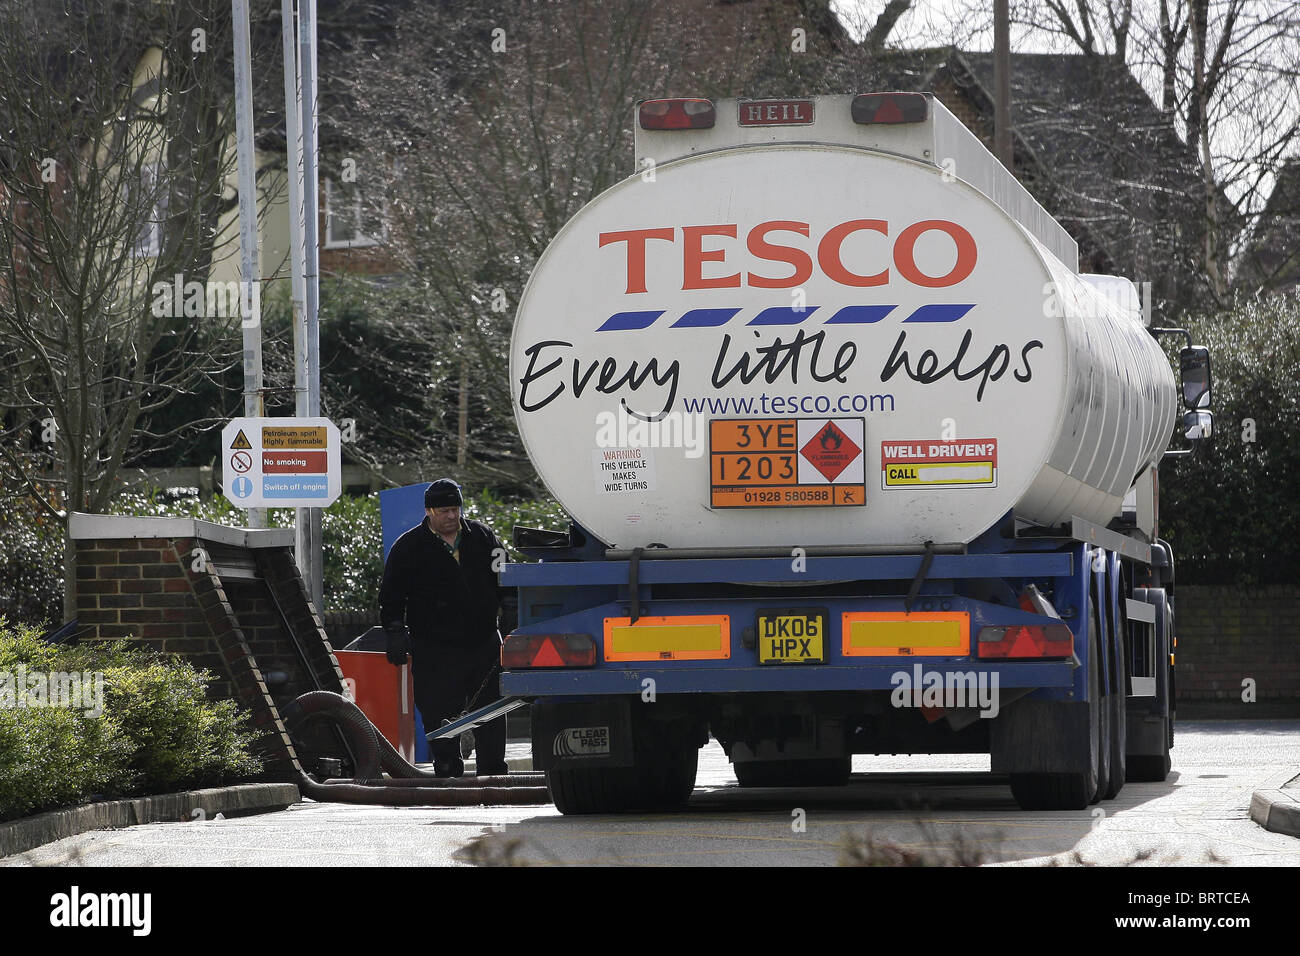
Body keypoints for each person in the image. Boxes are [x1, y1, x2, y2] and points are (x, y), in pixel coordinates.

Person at [378, 479, 509, 777]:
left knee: (491, 710)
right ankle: (447, 768)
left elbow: (506, 581)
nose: (452, 516)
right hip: (434, 646)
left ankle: (493, 770)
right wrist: (395, 632)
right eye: (445, 510)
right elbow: (391, 595)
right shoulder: (408, 547)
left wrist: (511, 622)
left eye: (456, 509)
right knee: (438, 711)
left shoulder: (484, 538)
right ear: (429, 511)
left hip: (482, 642)